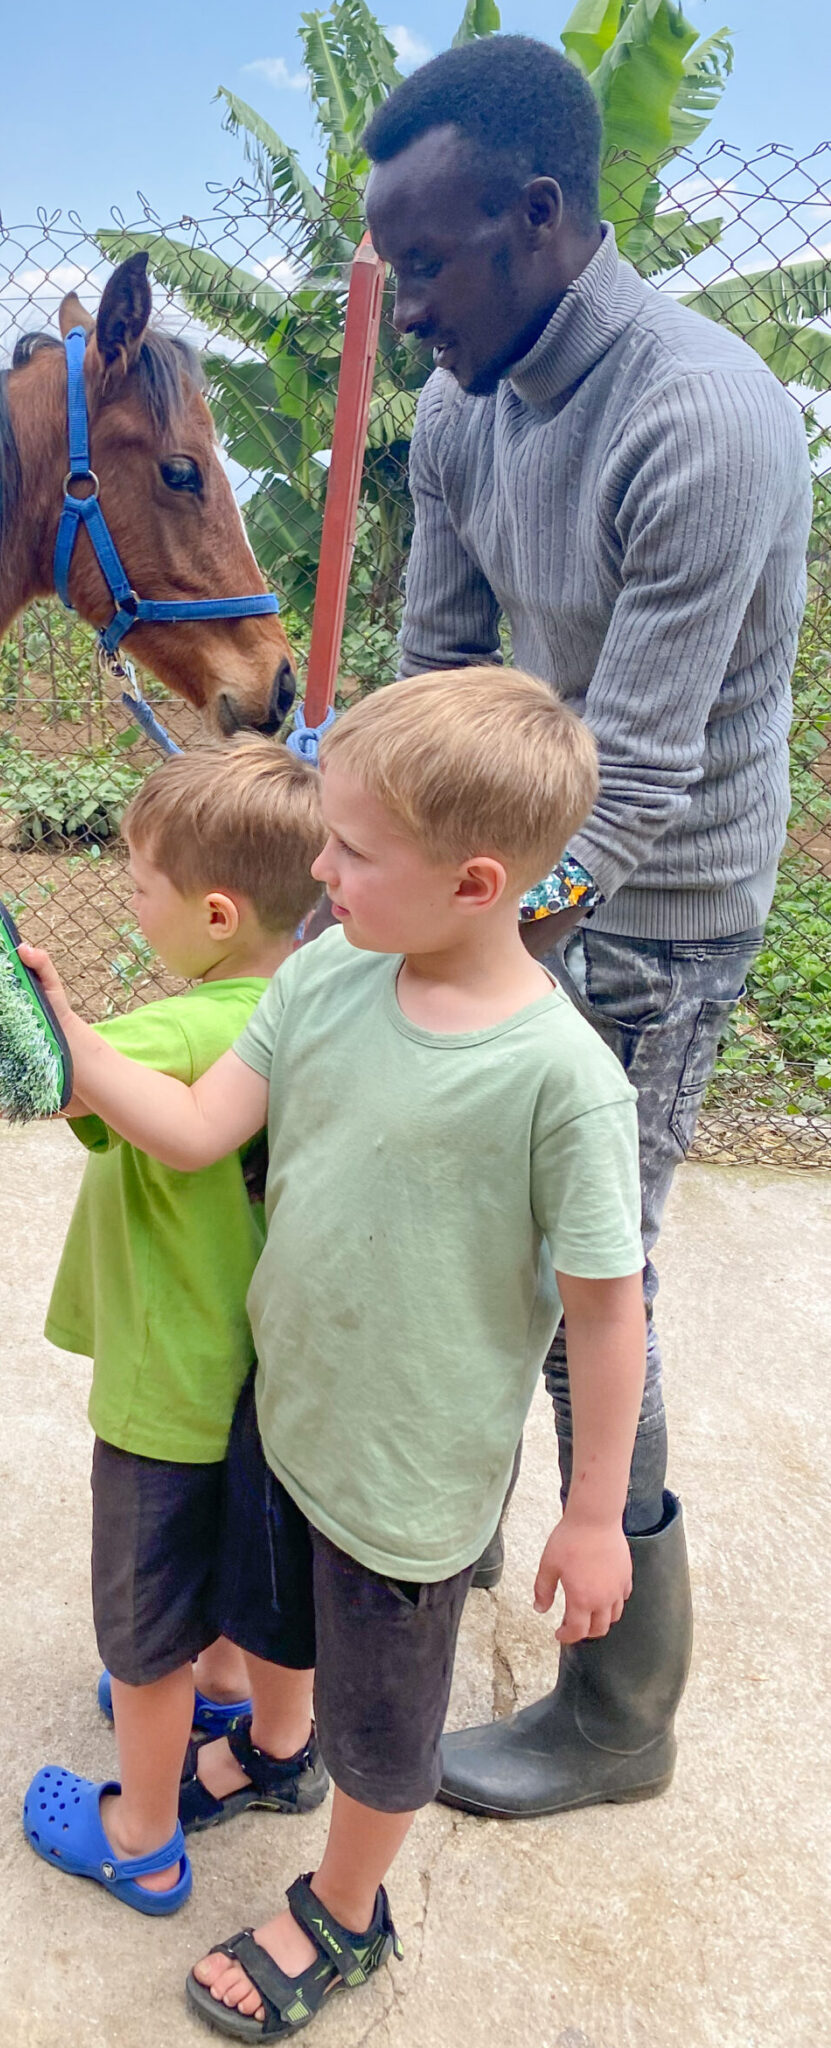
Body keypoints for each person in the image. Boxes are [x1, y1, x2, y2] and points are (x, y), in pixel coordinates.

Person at [17, 669, 647, 2037]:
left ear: (474, 885)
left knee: (383, 1727)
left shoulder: (560, 1083)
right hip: (282, 1415)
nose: (318, 866)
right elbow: (190, 1130)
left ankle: (344, 1910)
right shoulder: (321, 982)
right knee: (273, 1623)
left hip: (410, 1482)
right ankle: (269, 1749)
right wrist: (62, 1040)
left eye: (352, 851)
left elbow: (605, 1311)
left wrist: (591, 1513)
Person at [359, 33, 812, 1817]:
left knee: (578, 1271)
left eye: (423, 266)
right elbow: (425, 679)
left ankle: (617, 1707)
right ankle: (445, 1533)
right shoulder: (462, 409)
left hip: (659, 906)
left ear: (537, 220)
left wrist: (443, 950)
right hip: (494, 888)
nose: (402, 311)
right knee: (442, 1207)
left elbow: (623, 791)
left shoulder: (699, 422)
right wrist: (374, 876)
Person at [0, 739, 329, 1915]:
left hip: (161, 1389)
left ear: (210, 911)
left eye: (136, 883)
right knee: (239, 1567)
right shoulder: (307, 1005)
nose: (126, 896)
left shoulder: (181, 1038)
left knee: (138, 1638)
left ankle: (141, 1831)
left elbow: (6, 1079)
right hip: (260, 1381)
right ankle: (234, 1703)